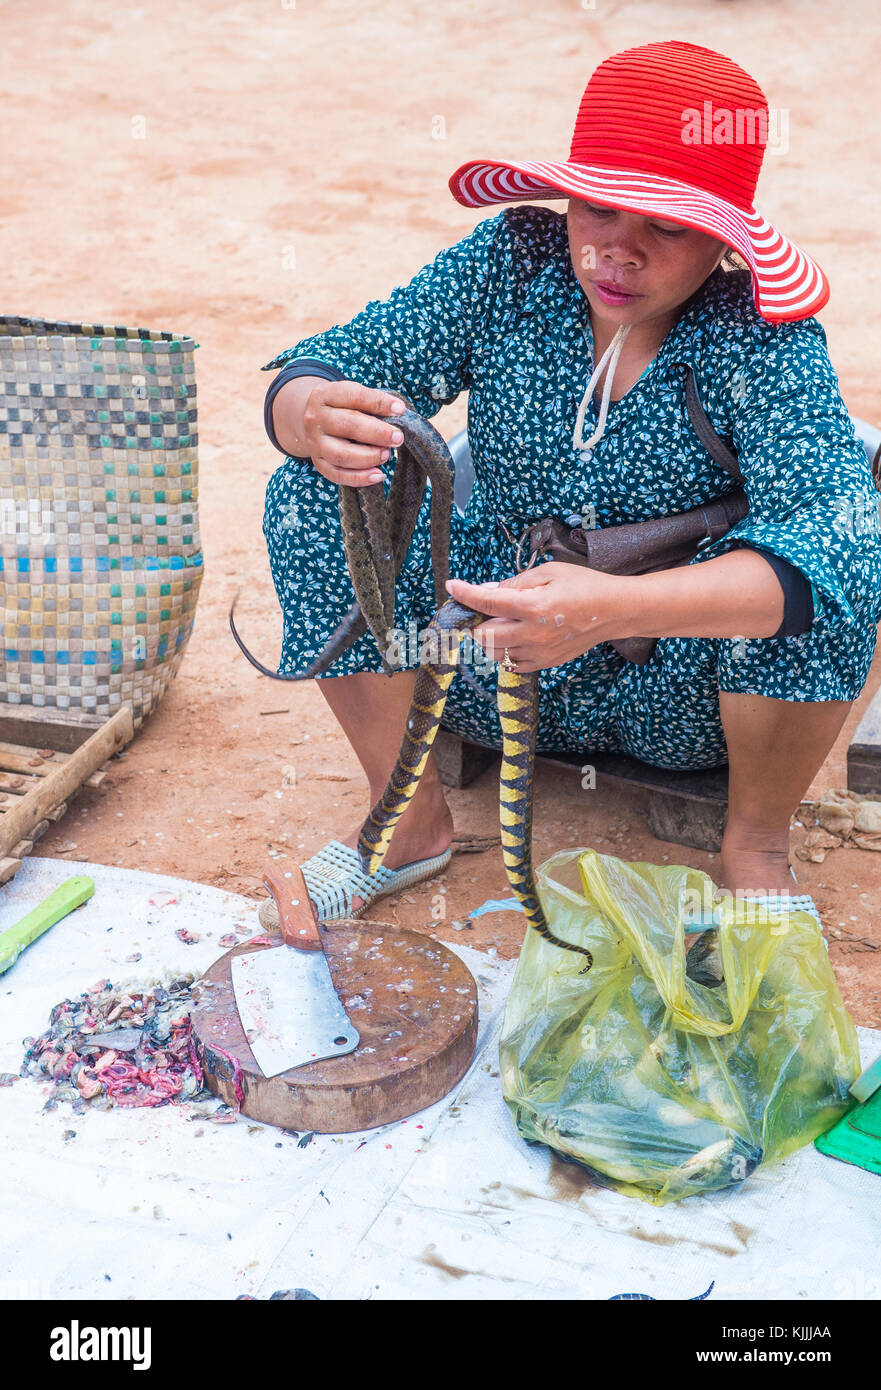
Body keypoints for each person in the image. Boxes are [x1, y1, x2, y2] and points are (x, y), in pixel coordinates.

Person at [257, 40, 881, 924]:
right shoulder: (510, 264)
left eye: (663, 227)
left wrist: (611, 608)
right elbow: (340, 363)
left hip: (686, 696)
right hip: (481, 660)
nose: (615, 252)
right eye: (595, 210)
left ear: (722, 236)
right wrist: (305, 408)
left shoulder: (761, 339)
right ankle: (405, 820)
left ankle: (754, 846)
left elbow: (836, 543)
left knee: (836, 562)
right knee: (317, 488)